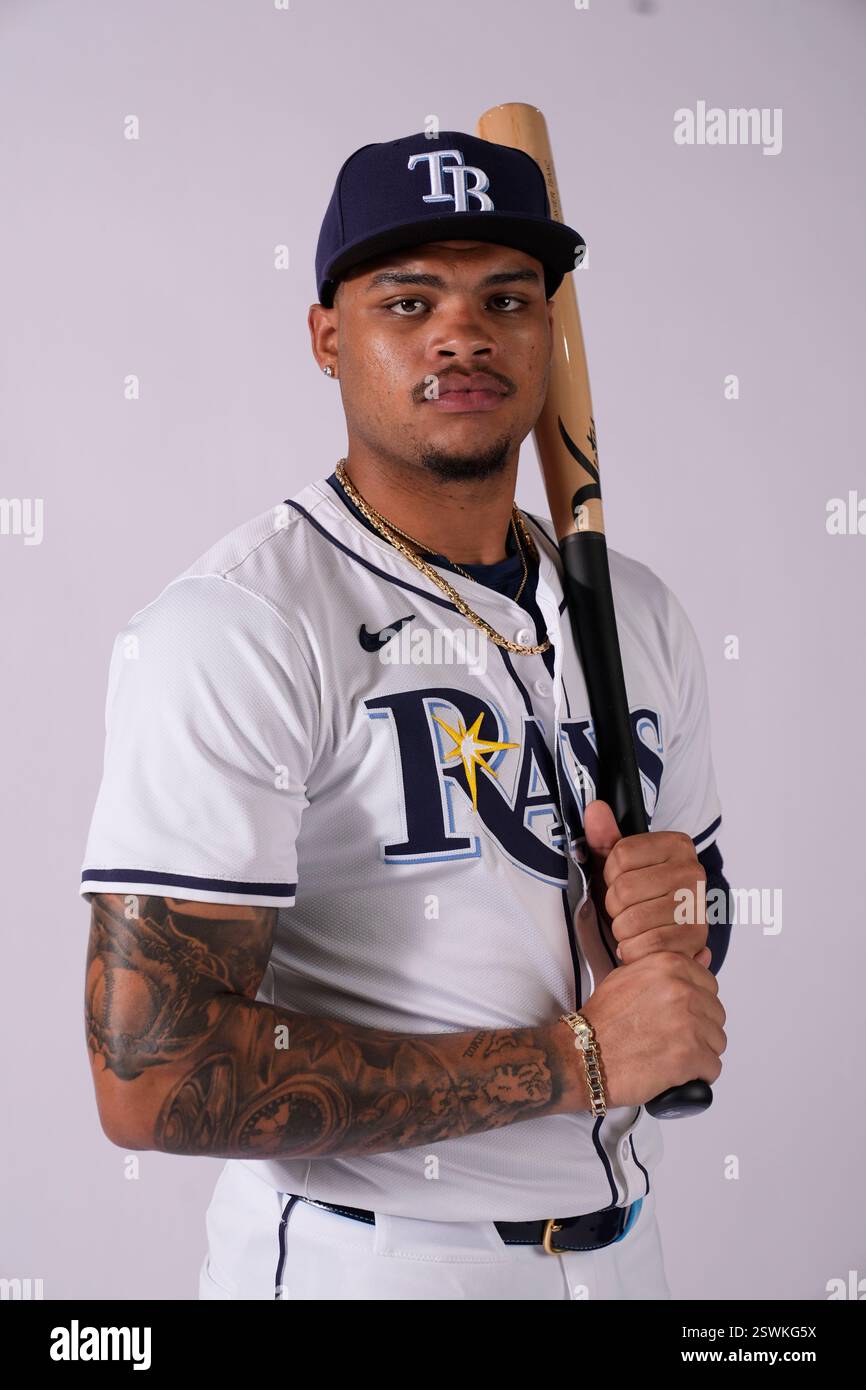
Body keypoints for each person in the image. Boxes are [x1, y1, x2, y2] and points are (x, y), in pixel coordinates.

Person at [79, 129, 730, 1301]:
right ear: (328, 335)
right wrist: (574, 1060)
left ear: (548, 331)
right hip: (371, 1263)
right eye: (407, 298)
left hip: (627, 1251)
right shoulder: (237, 627)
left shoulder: (633, 609)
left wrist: (678, 913)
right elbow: (152, 1071)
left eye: (506, 297)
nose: (462, 333)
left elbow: (688, 945)